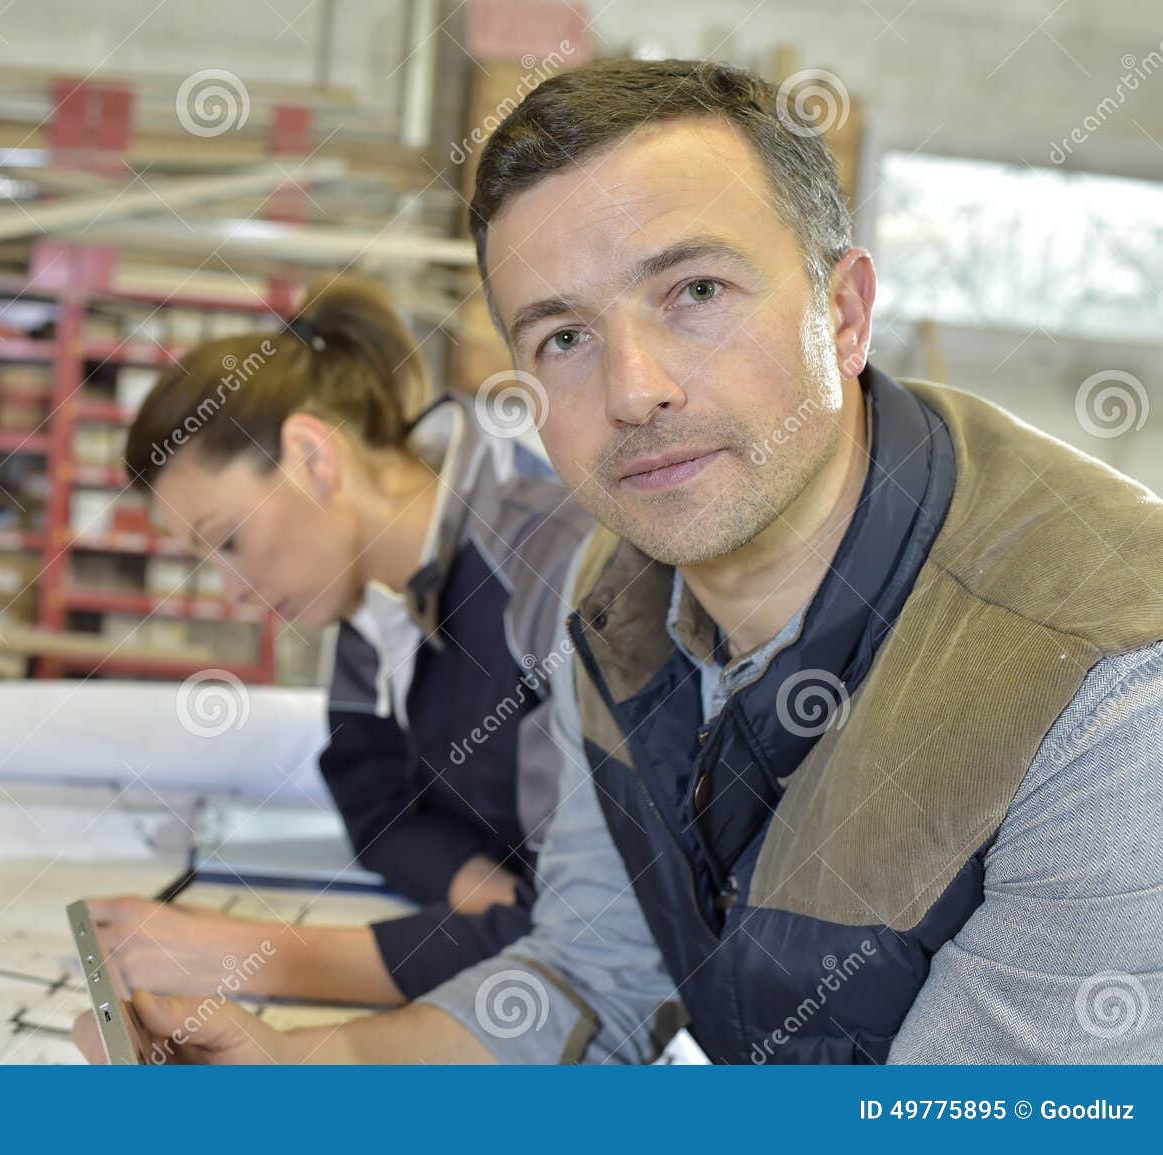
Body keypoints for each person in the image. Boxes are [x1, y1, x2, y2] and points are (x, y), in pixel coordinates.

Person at [76, 57, 1163, 1065]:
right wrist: (300, 1070)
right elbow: (592, 974)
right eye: (562, 336)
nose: (633, 388)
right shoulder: (614, 605)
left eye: (694, 292)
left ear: (842, 313)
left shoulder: (1109, 684)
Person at [78, 276, 597, 1015]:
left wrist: (240, 955)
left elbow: (588, 941)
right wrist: (470, 883)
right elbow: (375, 799)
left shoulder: (553, 566)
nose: (230, 591)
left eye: (228, 540)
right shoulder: (371, 598)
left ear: (314, 457)